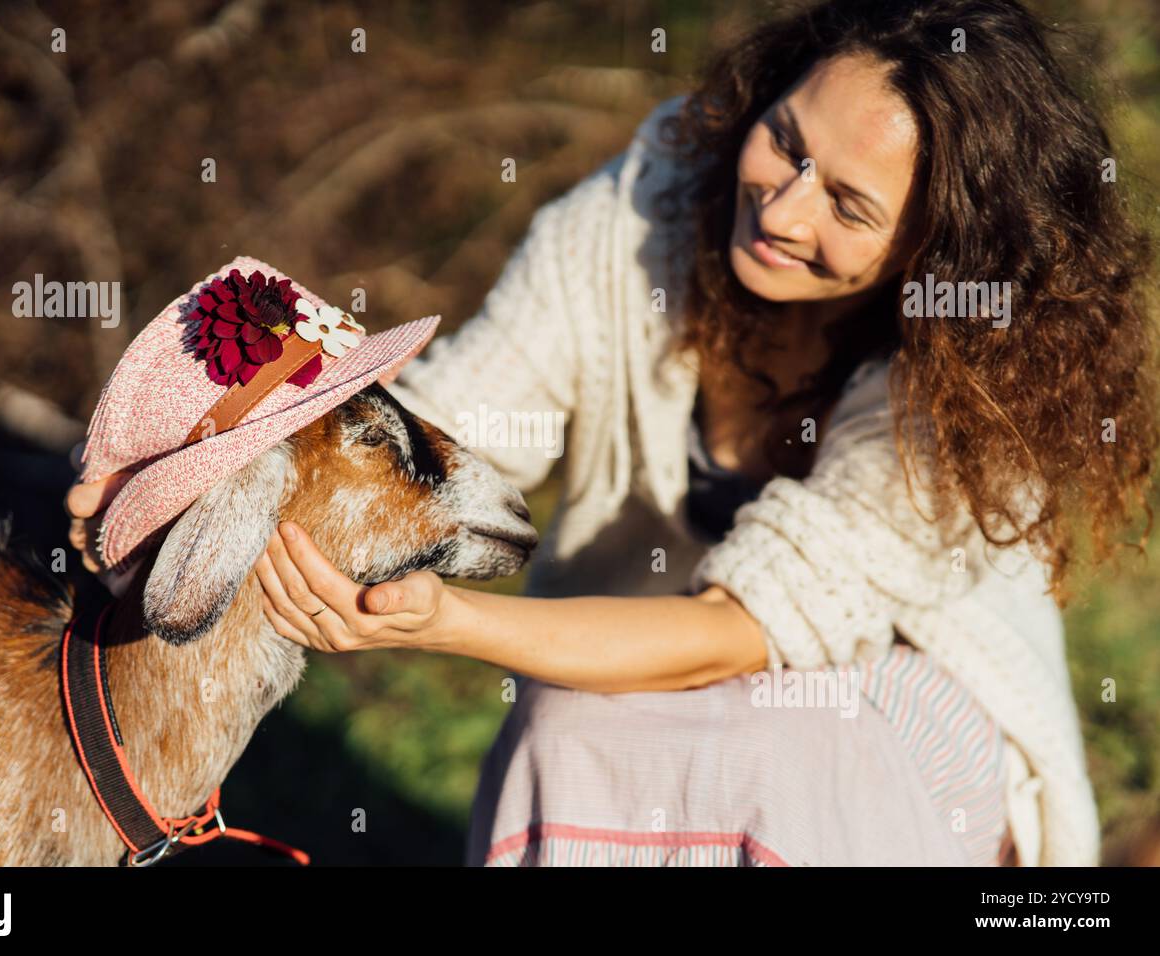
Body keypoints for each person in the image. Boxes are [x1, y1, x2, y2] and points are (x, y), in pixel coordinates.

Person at [68, 0, 1157, 866]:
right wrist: (191, 451)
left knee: (786, 752)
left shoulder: (970, 375)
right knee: (568, 730)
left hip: (891, 701)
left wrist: (448, 621)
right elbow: (461, 423)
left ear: (934, 251)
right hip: (643, 654)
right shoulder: (643, 208)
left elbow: (742, 630)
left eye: (850, 206)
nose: (781, 210)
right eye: (785, 141)